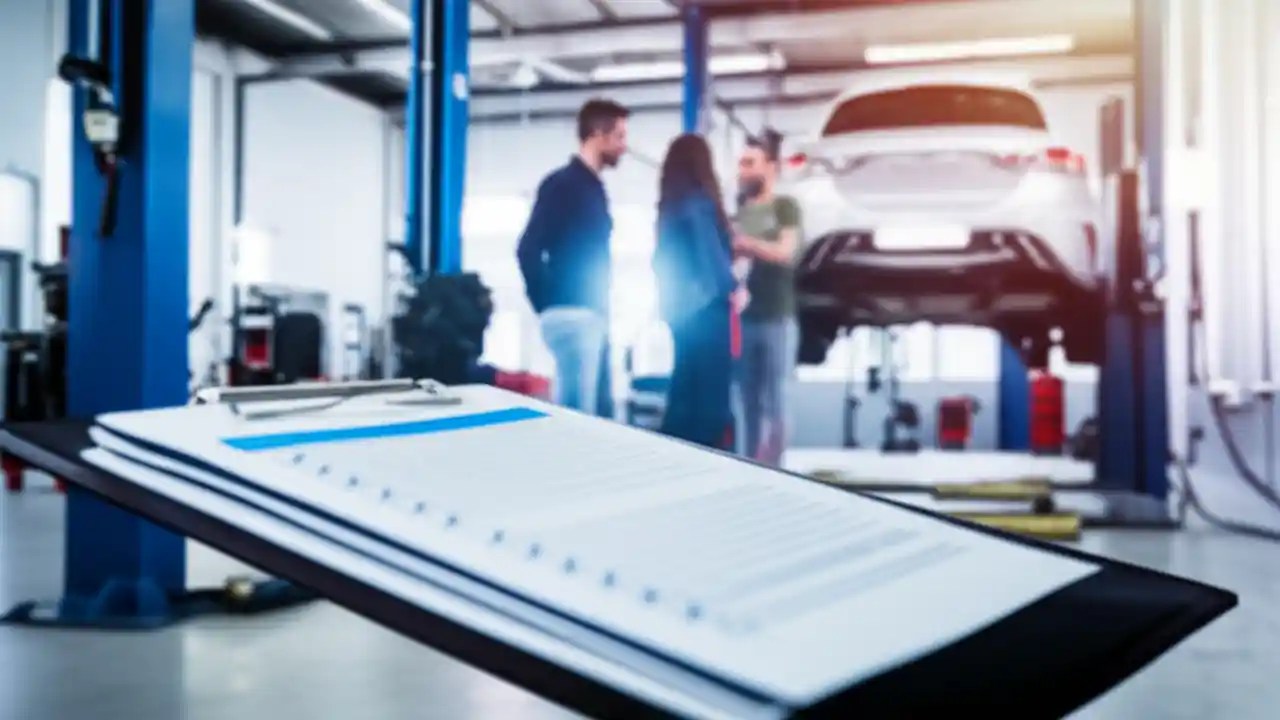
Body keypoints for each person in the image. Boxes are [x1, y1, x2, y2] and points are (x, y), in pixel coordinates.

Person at [517, 99, 629, 414]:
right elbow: (527, 249)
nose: (624, 147)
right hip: (573, 315)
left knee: (601, 416)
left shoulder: (595, 188)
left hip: (594, 315)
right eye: (619, 136)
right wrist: (550, 306)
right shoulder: (562, 184)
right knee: (578, 418)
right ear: (597, 134)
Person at [653, 134, 736, 449]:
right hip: (707, 309)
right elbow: (710, 254)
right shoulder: (699, 202)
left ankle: (674, 460)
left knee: (684, 390)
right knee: (711, 401)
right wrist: (732, 287)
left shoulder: (670, 208)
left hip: (679, 311)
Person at [732, 132, 803, 466]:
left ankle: (777, 470)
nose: (742, 170)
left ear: (770, 168)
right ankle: (748, 467)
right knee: (746, 402)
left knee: (777, 401)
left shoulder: (784, 208)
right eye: (740, 164)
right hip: (744, 321)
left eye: (750, 163)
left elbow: (786, 252)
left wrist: (748, 245)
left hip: (777, 318)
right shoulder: (738, 211)